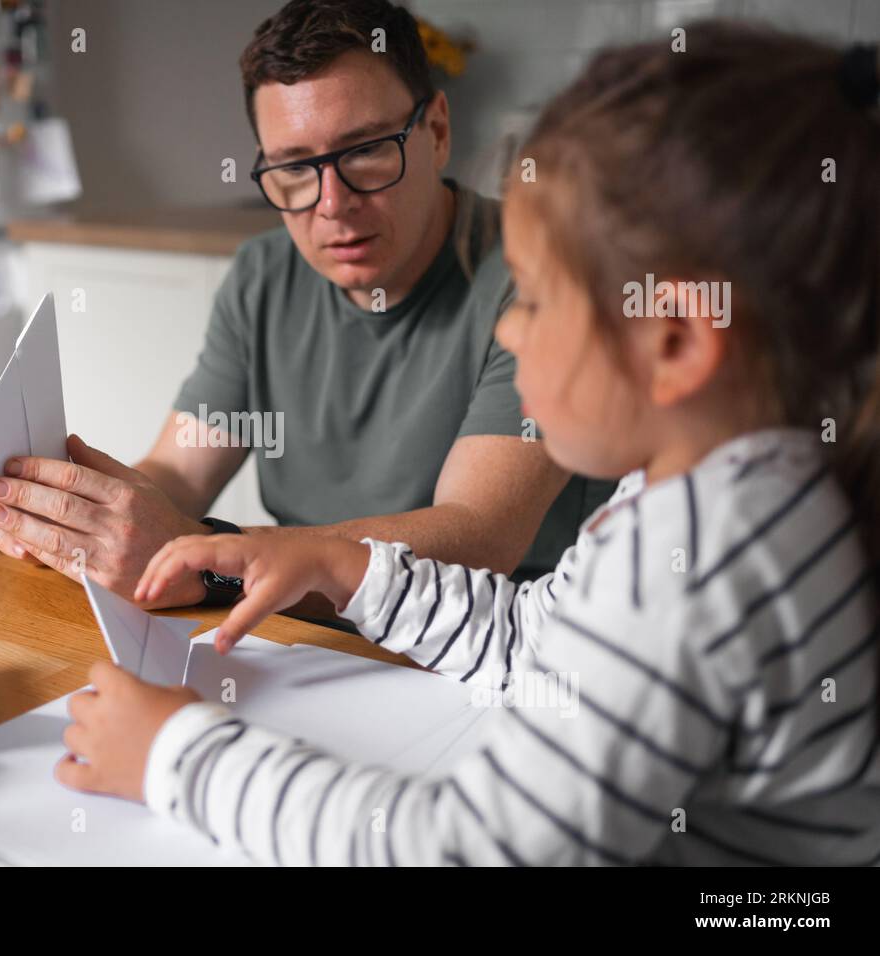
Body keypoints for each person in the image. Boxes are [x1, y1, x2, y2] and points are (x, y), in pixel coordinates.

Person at [54, 22, 880, 865]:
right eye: (296, 168)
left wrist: (175, 756)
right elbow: (533, 644)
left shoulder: (699, 554)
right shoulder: (710, 493)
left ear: (674, 343)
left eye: (536, 301)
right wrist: (344, 568)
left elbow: (463, 849)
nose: (511, 332)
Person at [0, 0, 613, 614]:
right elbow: (176, 469)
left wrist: (206, 560)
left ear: (437, 131)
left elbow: (477, 538)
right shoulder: (263, 276)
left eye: (365, 150)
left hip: (495, 645)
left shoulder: (532, 276)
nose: (331, 204)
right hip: (306, 628)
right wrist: (69, 518)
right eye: (294, 169)